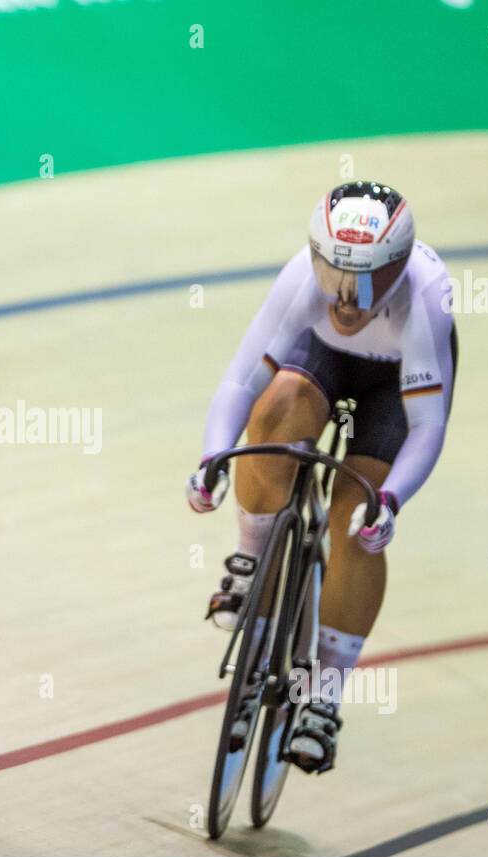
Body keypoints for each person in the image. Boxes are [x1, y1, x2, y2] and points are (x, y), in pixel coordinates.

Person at [186, 182, 456, 772]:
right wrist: (212, 459)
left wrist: (391, 500)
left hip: (392, 391)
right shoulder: (299, 281)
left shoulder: (426, 297)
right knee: (277, 408)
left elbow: (426, 428)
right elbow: (241, 382)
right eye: (333, 275)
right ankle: (251, 557)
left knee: (354, 517)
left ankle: (326, 691)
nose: (347, 298)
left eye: (363, 283)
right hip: (322, 363)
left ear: (398, 270)